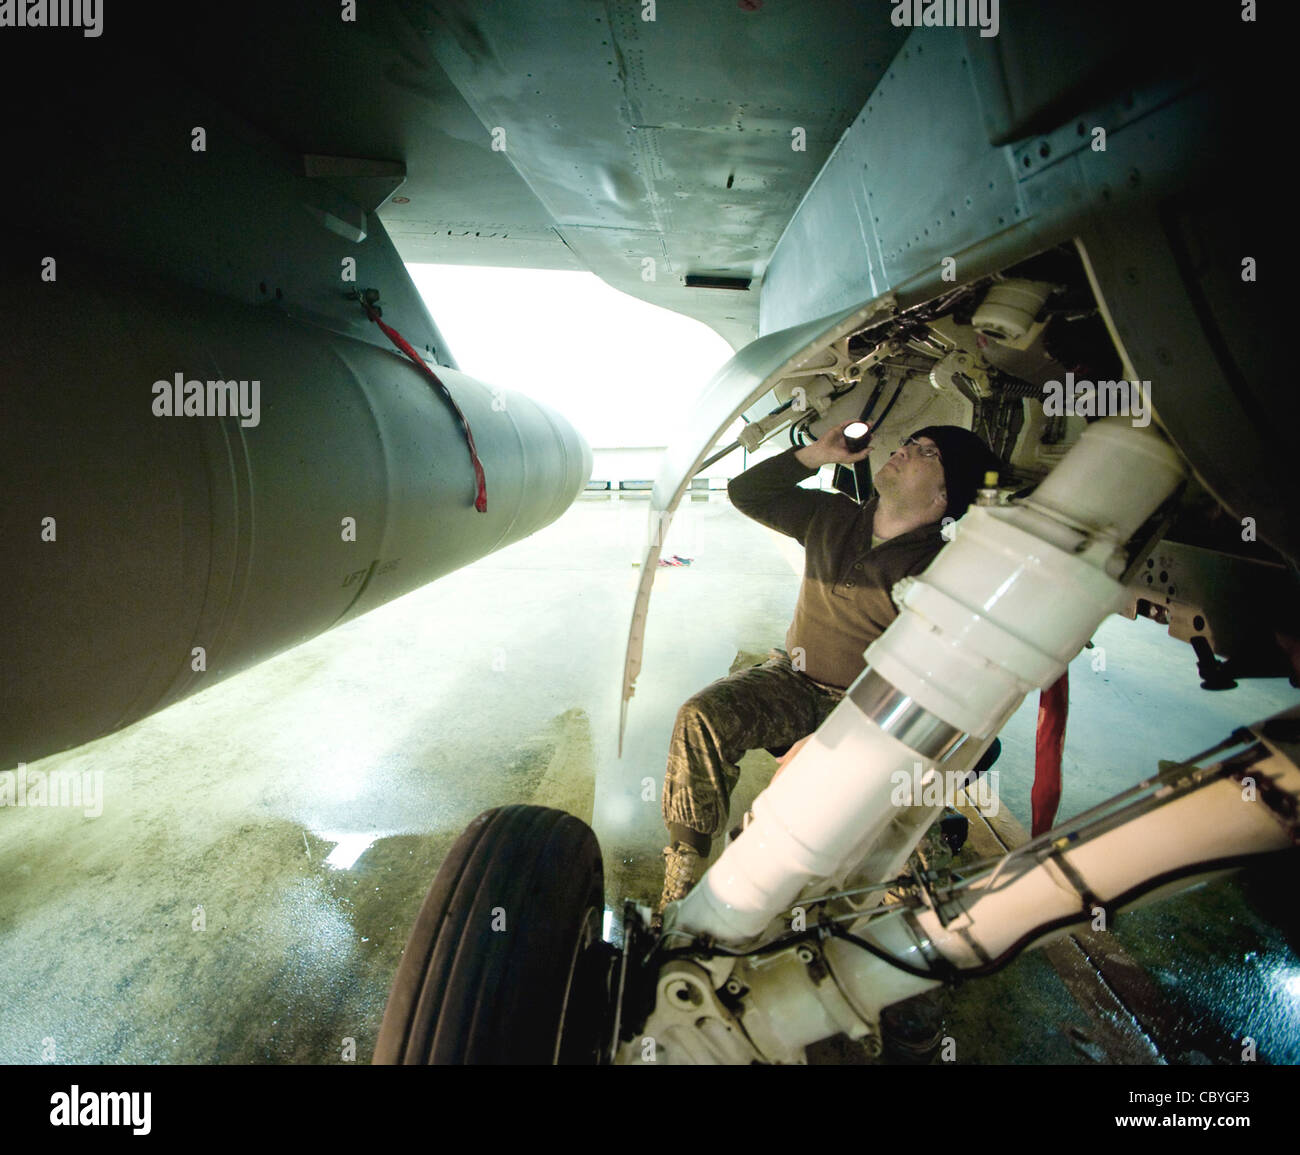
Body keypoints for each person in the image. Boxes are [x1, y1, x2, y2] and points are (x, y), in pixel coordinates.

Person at [659, 418, 1002, 911]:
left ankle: (895, 922)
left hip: (876, 715)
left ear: (945, 495)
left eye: (927, 453)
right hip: (794, 681)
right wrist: (817, 454)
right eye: (908, 441)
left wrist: (827, 745)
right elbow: (748, 491)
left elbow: (939, 682)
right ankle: (683, 879)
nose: (904, 450)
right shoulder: (831, 516)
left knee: (900, 867)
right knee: (702, 716)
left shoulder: (942, 569)